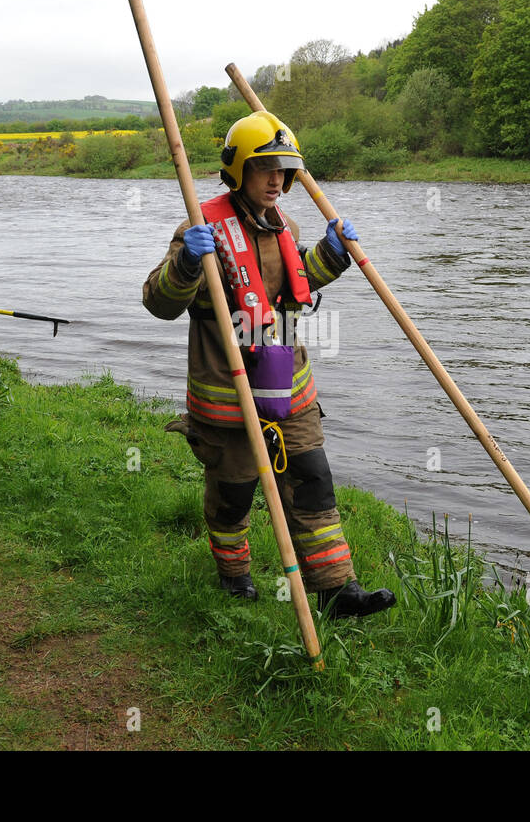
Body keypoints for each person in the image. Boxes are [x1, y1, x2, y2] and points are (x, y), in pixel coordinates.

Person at [143, 110, 395, 619]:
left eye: (284, 169)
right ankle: (235, 576)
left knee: (313, 481)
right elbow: (160, 302)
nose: (278, 180)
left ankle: (335, 590)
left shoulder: (286, 226)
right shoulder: (200, 228)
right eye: (266, 168)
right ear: (238, 171)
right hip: (227, 394)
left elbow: (297, 286)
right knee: (233, 497)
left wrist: (334, 251)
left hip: (287, 388)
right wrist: (188, 262)